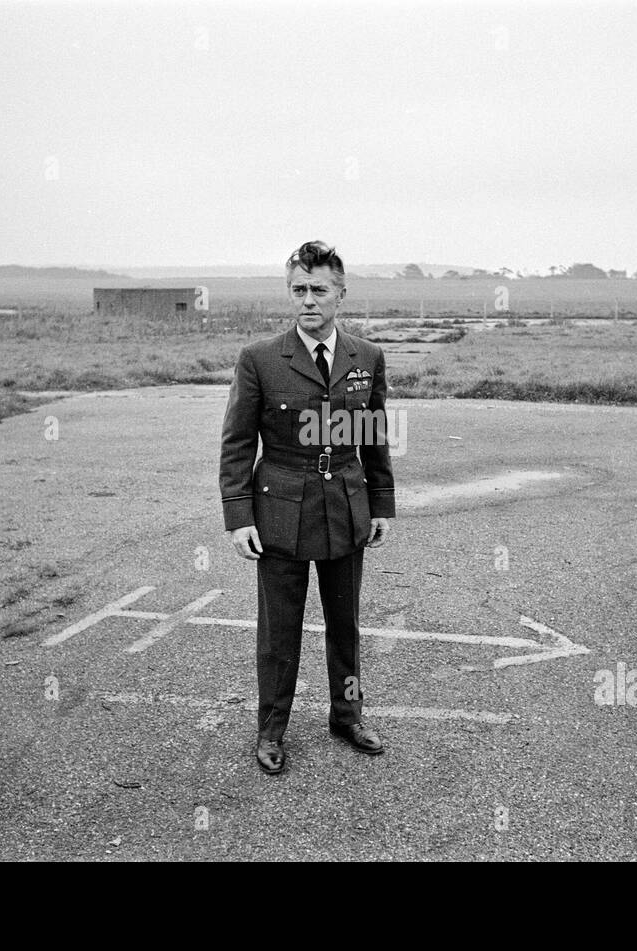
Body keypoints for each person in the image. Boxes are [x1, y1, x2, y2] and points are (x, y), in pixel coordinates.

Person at [219, 240, 395, 774]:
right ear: (289, 294)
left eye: (320, 290)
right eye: (299, 290)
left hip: (345, 506)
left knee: (346, 623)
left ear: (341, 295)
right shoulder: (260, 359)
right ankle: (271, 730)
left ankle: (348, 715)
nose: (309, 300)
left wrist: (381, 505)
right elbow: (237, 444)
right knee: (279, 630)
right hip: (280, 512)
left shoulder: (366, 358)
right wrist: (239, 516)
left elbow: (374, 436)